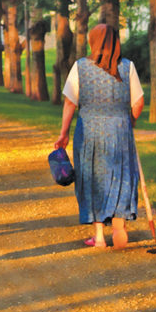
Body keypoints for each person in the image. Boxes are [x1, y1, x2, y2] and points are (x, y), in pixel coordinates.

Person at [54, 23, 145, 249]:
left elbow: (70, 102)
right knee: (121, 175)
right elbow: (138, 102)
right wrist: (129, 121)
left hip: (89, 130)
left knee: (92, 178)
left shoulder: (81, 67)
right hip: (120, 129)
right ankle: (119, 224)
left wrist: (63, 133)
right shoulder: (127, 66)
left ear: (93, 42)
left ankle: (99, 236)